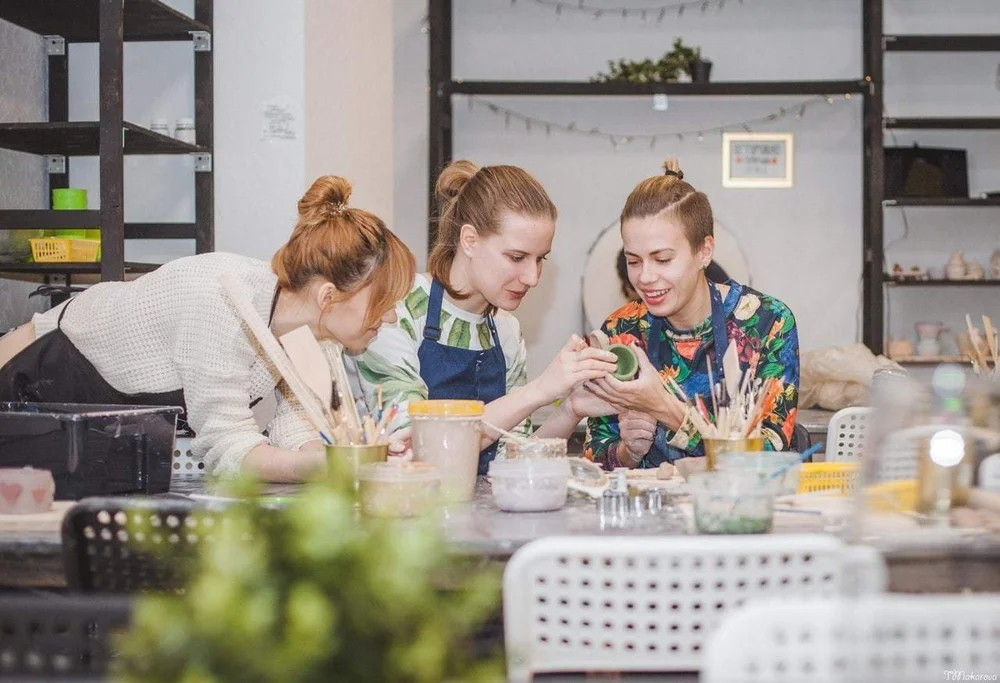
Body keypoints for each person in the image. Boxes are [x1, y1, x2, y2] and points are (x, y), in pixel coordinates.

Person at [0, 176, 415, 483]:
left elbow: (298, 428)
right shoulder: (220, 302)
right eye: (383, 301)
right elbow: (229, 450)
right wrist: (326, 467)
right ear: (329, 296)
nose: (392, 317)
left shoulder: (317, 333)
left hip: (90, 431)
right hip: (33, 378)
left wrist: (354, 459)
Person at [353, 160, 618, 474]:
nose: (533, 277)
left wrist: (570, 410)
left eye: (540, 259)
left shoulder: (505, 330)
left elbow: (511, 461)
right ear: (469, 240)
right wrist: (538, 391)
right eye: (517, 257)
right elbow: (419, 451)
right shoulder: (396, 308)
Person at [584, 159, 799, 469]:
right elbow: (595, 457)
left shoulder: (767, 323)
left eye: (662, 259)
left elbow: (770, 455)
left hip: (731, 510)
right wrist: (626, 452)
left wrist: (665, 409)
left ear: (704, 251)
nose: (644, 277)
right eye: (634, 261)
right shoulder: (622, 330)